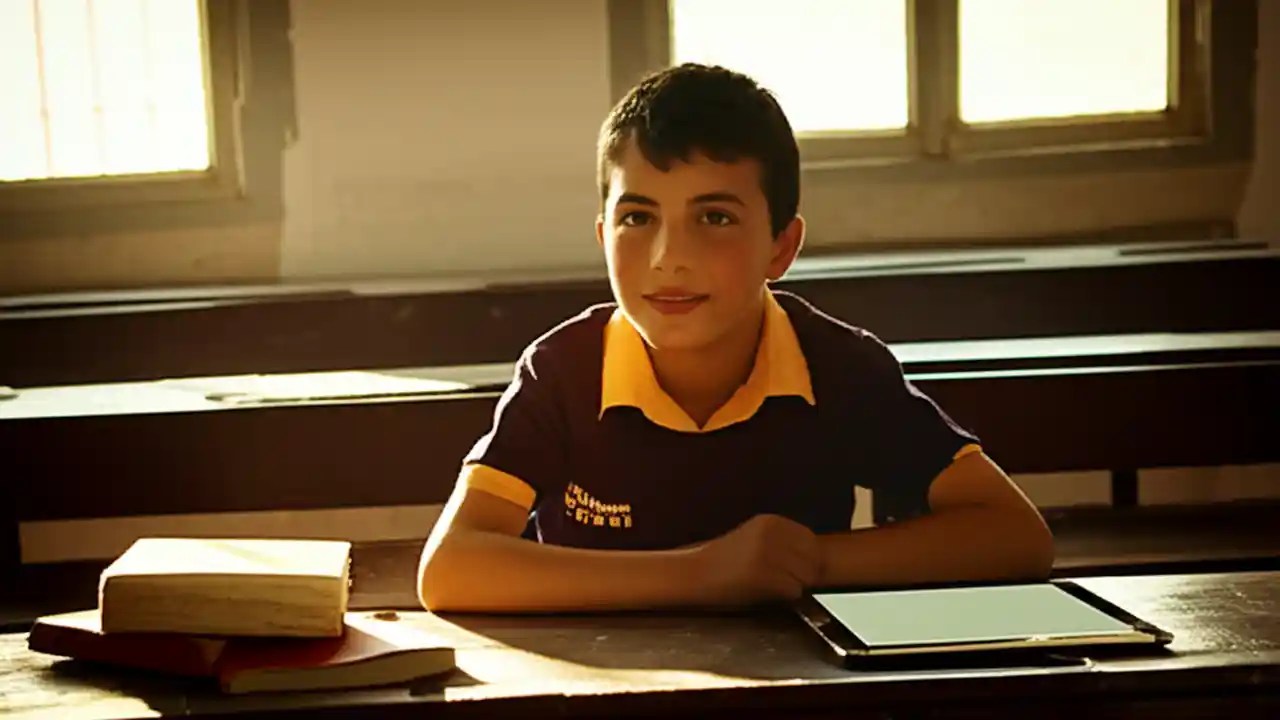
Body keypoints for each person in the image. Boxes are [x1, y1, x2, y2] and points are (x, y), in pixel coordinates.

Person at [418, 63, 1053, 612]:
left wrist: (810, 563)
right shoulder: (563, 372)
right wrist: (702, 574)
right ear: (602, 236)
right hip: (604, 687)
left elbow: (1015, 535)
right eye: (637, 217)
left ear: (782, 246)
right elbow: (449, 570)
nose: (669, 257)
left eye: (714, 217)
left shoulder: (838, 366)